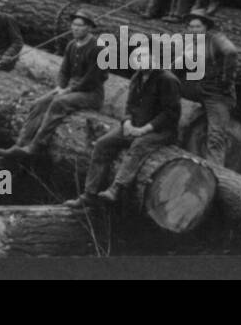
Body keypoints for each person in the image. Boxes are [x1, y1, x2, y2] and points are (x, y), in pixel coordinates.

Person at [65, 45, 181, 208]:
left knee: (139, 145)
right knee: (102, 144)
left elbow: (170, 114)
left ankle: (116, 188)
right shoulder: (137, 77)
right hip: (135, 125)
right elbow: (130, 105)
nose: (141, 62)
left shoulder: (167, 80)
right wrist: (126, 122)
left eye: (145, 58)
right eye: (137, 59)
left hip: (161, 131)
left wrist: (144, 129)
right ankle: (89, 194)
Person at [0, 12, 105, 157]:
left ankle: (35, 146)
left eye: (80, 26)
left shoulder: (98, 48)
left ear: (89, 28)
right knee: (39, 103)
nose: (75, 28)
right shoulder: (71, 45)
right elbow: (64, 71)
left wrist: (68, 90)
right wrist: (61, 86)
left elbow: (92, 79)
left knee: (59, 102)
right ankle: (20, 144)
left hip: (91, 93)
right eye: (74, 25)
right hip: (71, 89)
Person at [185, 13, 239, 165]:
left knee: (216, 137)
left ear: (206, 27)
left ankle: (214, 173)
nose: (194, 30)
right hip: (199, 88)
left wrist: (226, 79)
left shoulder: (215, 39)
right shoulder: (193, 41)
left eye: (198, 26)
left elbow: (231, 51)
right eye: (191, 26)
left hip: (217, 95)